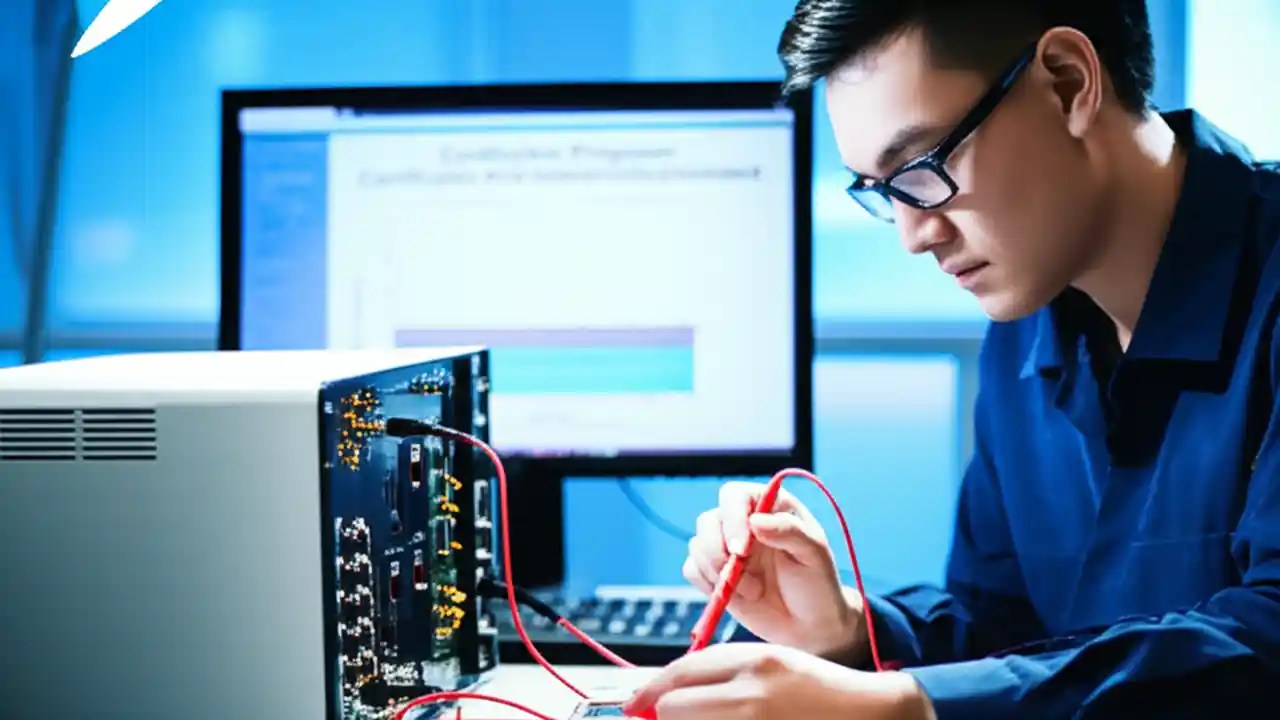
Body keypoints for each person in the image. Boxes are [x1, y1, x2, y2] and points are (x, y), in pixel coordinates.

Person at [622, 1, 1280, 718]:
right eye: (880, 189)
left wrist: (901, 707)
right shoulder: (1030, 317)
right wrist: (844, 630)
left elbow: (1266, 646)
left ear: (1066, 82)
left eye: (923, 166)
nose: (913, 234)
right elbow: (1010, 633)